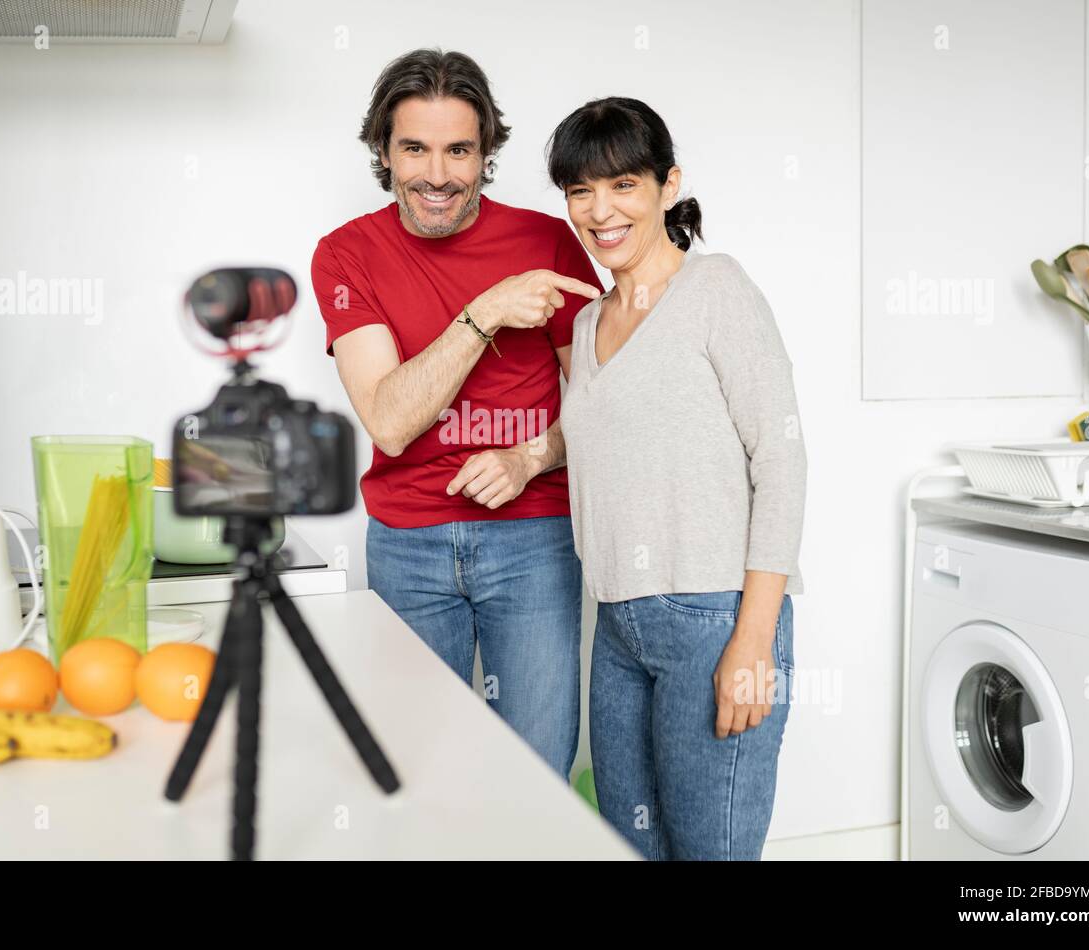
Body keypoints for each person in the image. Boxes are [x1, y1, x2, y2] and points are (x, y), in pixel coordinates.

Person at [310, 49, 603, 780]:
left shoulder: (545, 243)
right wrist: (486, 312)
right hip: (407, 544)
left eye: (459, 150)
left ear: (486, 154)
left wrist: (530, 457)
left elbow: (607, 407)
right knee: (416, 773)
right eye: (414, 148)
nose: (437, 175)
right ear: (384, 151)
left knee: (534, 772)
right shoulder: (346, 255)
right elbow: (389, 421)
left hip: (534, 540)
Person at [549, 97, 807, 858]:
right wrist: (525, 456)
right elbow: (610, 439)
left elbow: (783, 458)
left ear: (669, 186)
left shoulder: (717, 289)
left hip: (715, 617)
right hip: (619, 626)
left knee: (710, 851)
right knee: (633, 846)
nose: (600, 211)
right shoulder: (589, 323)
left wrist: (753, 641)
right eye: (579, 192)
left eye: (623, 185)